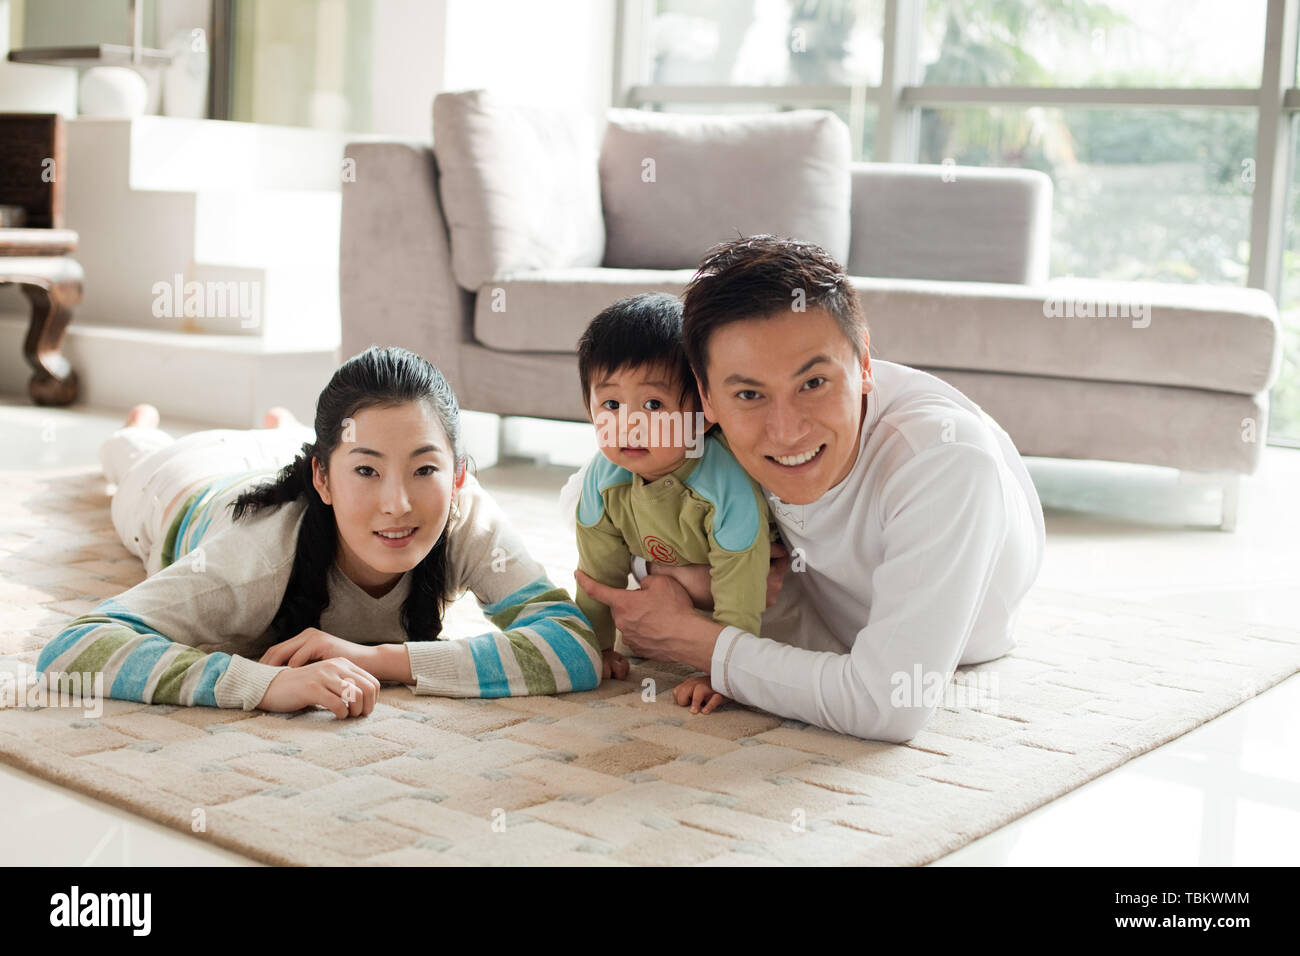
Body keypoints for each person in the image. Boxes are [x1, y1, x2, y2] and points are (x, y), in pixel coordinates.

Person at [569, 235, 1046, 744]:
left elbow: (888, 705)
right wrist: (691, 581)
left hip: (954, 639)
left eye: (813, 383)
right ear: (705, 398)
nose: (787, 430)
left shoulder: (943, 458)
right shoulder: (710, 434)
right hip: (813, 617)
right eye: (749, 393)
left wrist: (697, 640)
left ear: (864, 363)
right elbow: (587, 497)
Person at [38, 346, 602, 718]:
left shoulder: (463, 510)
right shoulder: (253, 560)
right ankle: (138, 432)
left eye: (425, 468)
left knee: (294, 442)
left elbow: (573, 645)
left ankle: (281, 430)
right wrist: (265, 686)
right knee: (132, 458)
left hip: (290, 462)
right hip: (185, 485)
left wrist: (378, 658)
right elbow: (75, 648)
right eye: (367, 470)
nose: (398, 504)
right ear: (324, 478)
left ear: (457, 475)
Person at [573, 293, 777, 715]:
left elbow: (741, 591)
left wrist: (721, 670)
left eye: (653, 405)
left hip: (758, 580)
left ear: (704, 413)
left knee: (758, 600)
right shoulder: (602, 482)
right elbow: (598, 576)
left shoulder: (726, 487)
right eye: (610, 404)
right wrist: (595, 646)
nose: (628, 424)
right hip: (663, 555)